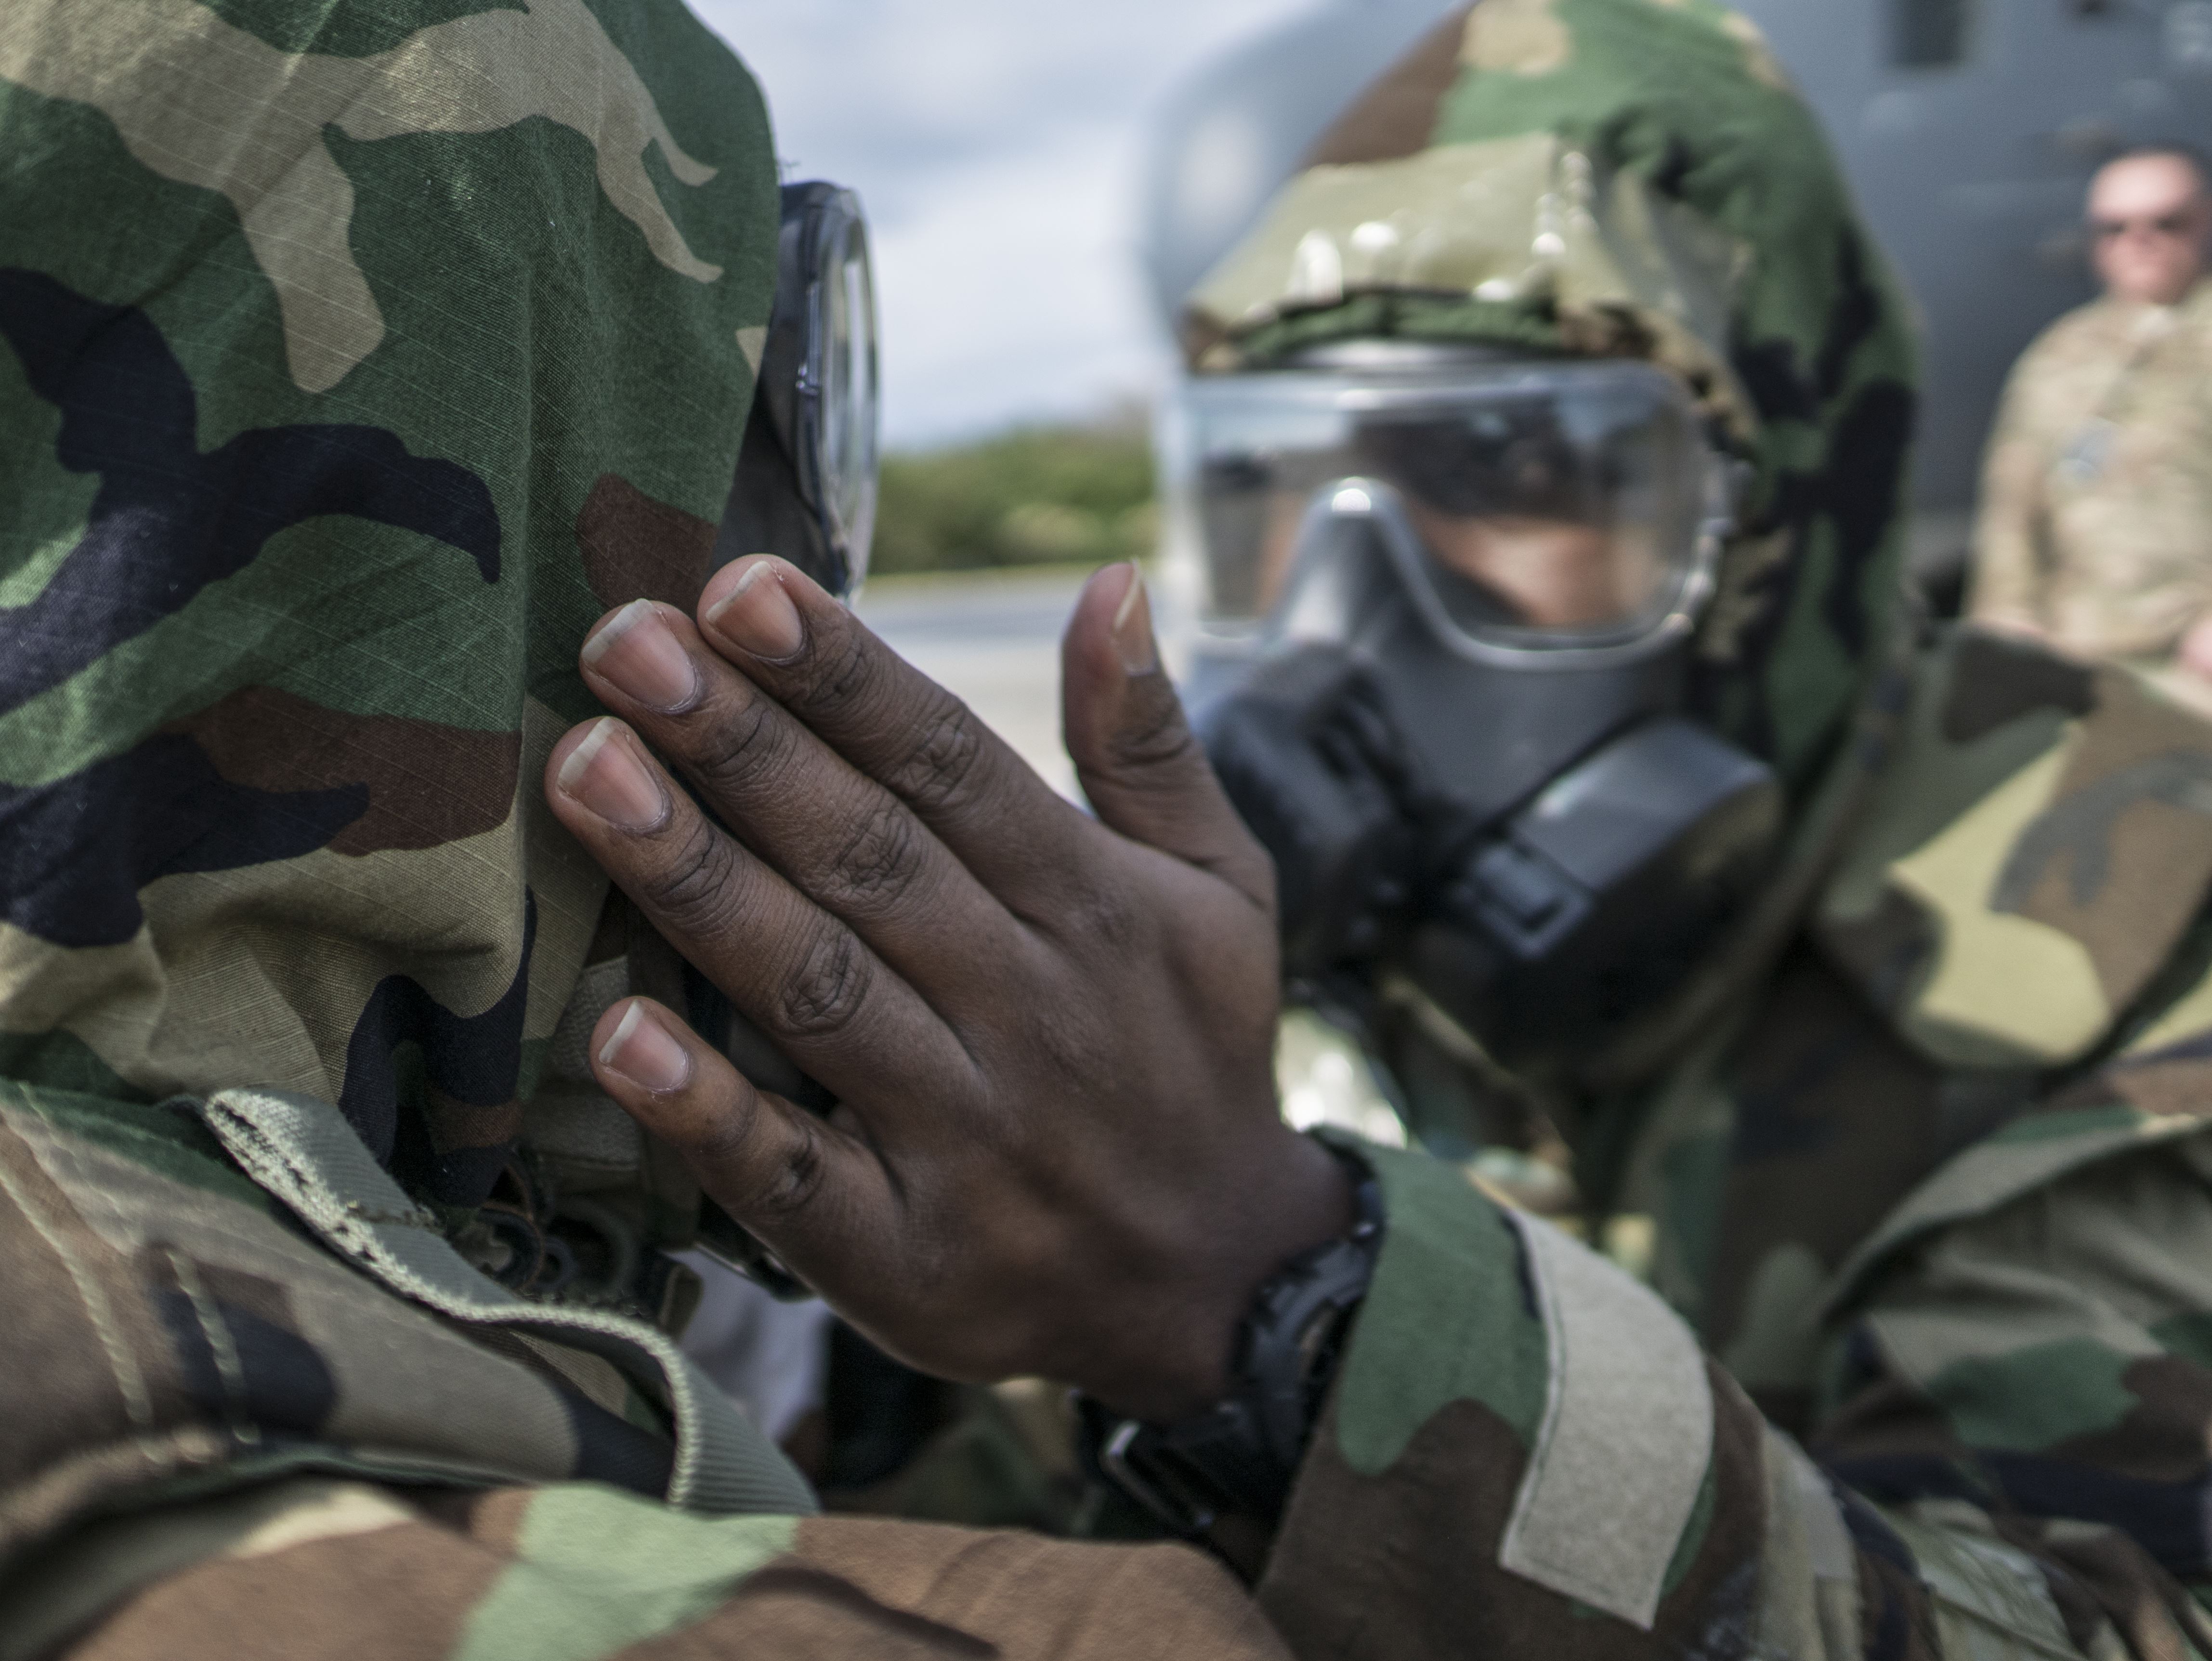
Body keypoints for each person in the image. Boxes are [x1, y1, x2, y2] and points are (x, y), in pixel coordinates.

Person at [3, 11, 2211, 1661]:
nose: (1364, 604)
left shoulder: (2140, 904)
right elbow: (1047, 1486)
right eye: (1283, 498)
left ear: (1785, 533)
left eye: (1520, 477)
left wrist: (1271, 1297)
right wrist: (801, 1297)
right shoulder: (1293, 951)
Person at [1969, 145, 2212, 706]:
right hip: (2082, 657)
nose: (2139, 240)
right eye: (2114, 228)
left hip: (2192, 660)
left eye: (2166, 222)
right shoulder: (2059, 354)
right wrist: (2008, 620)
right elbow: (2012, 504)